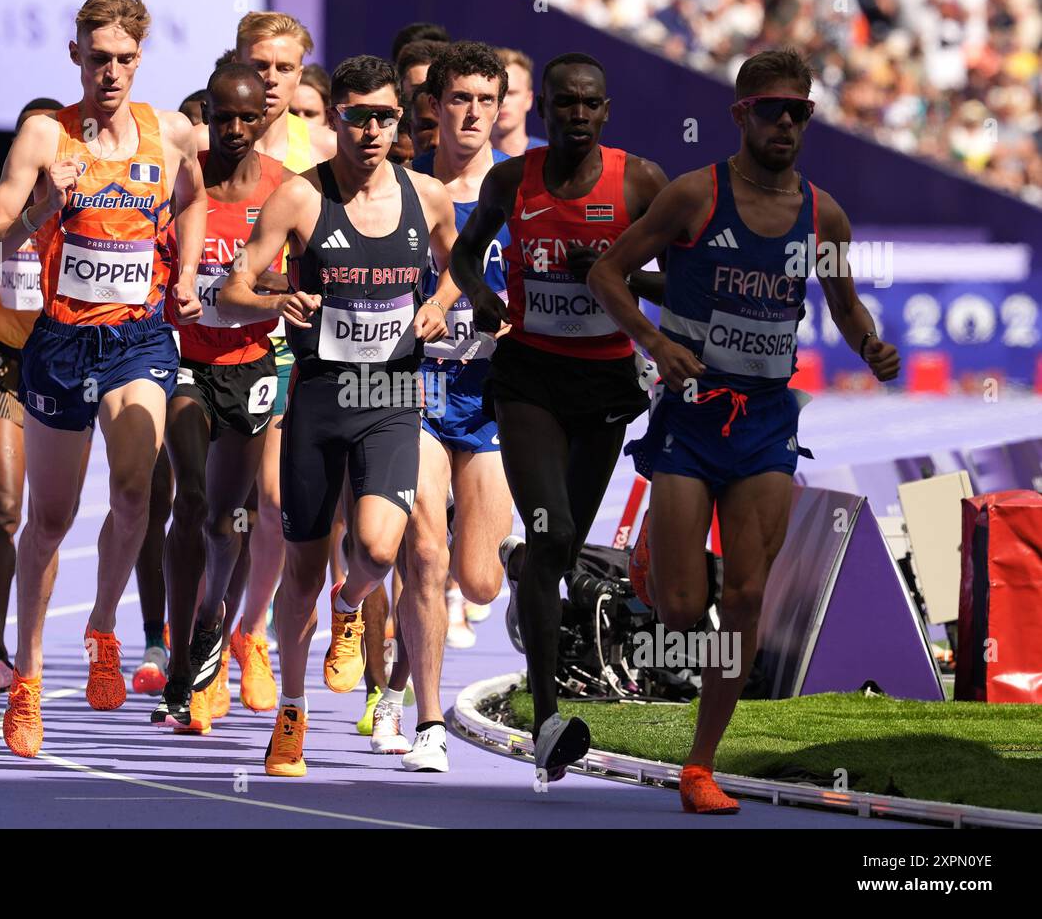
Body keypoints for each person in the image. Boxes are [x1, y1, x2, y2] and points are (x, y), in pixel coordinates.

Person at [588, 48, 900, 813]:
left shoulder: (824, 215)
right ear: (741, 114)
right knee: (683, 611)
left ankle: (701, 765)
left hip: (766, 422)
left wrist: (868, 343)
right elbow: (606, 273)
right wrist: (655, 343)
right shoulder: (695, 197)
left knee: (750, 592)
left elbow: (844, 302)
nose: (787, 123)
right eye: (773, 109)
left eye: (800, 111)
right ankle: (655, 574)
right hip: (692, 417)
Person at [0, 0, 207, 758]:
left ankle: (104, 624)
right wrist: (46, 209)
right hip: (60, 345)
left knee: (137, 490)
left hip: (138, 339)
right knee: (50, 520)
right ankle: (31, 674)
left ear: (141, 60)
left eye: (124, 60)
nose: (110, 72)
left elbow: (195, 198)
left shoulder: (168, 132)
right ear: (75, 56)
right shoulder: (47, 135)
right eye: (97, 57)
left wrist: (186, 275)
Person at [219, 54, 461, 777]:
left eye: (386, 116)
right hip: (319, 404)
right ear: (337, 122)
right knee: (299, 572)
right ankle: (290, 716)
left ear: (399, 120)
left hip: (389, 401)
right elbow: (233, 287)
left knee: (383, 551)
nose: (372, 130)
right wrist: (275, 302)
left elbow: (464, 264)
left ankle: (351, 603)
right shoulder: (299, 199)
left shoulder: (429, 197)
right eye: (357, 116)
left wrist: (440, 306)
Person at [451, 52, 668, 783]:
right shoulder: (513, 180)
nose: (578, 114)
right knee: (556, 535)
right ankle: (547, 721)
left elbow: (680, 280)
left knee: (560, 550)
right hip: (530, 379)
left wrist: (610, 275)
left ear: (606, 111)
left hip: (605, 381)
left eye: (590, 103)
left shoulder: (639, 182)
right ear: (543, 108)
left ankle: (528, 566)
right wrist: (481, 300)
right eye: (565, 103)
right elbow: (465, 252)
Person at [376, 41, 515, 771]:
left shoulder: (519, 193)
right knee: (424, 555)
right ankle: (429, 722)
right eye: (458, 98)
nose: (471, 114)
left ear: (501, 109)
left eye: (485, 101)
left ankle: (399, 677)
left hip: (488, 398)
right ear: (434, 105)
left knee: (482, 579)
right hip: (415, 389)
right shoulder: (396, 186)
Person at [143, 63, 292, 733]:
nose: (233, 130)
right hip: (184, 361)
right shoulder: (182, 177)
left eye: (245, 117)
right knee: (192, 498)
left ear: (263, 116)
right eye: (221, 117)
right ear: (205, 114)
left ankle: (209, 632)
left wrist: (277, 287)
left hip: (253, 365)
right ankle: (179, 663)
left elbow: (310, 269)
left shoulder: (286, 190)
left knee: (230, 519)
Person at [212, 13, 339, 711]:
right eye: (259, 66)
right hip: (197, 345)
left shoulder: (321, 152)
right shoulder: (195, 133)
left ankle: (248, 634)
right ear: (237, 62)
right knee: (205, 508)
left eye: (284, 70)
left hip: (282, 345)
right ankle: (191, 639)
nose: (269, 81)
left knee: (274, 505)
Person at [0, 98, 91, 695]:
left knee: (48, 518)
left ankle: (44, 641)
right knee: (5, 507)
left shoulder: (85, 207)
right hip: (6, 365)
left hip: (63, 361)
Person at [491, 48, 547, 157]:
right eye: (494, 95)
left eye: (511, 93)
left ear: (529, 99)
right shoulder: (466, 161)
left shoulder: (552, 159)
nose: (502, 102)